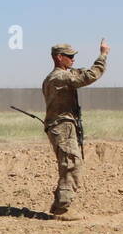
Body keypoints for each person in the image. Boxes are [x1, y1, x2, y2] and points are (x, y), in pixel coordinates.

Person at [42, 40, 109, 218]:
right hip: (62, 127)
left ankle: (59, 206)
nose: (73, 59)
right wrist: (102, 56)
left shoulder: (61, 75)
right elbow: (87, 77)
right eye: (69, 56)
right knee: (71, 164)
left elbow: (80, 72)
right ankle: (63, 209)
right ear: (59, 57)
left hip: (64, 126)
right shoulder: (58, 77)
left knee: (70, 164)